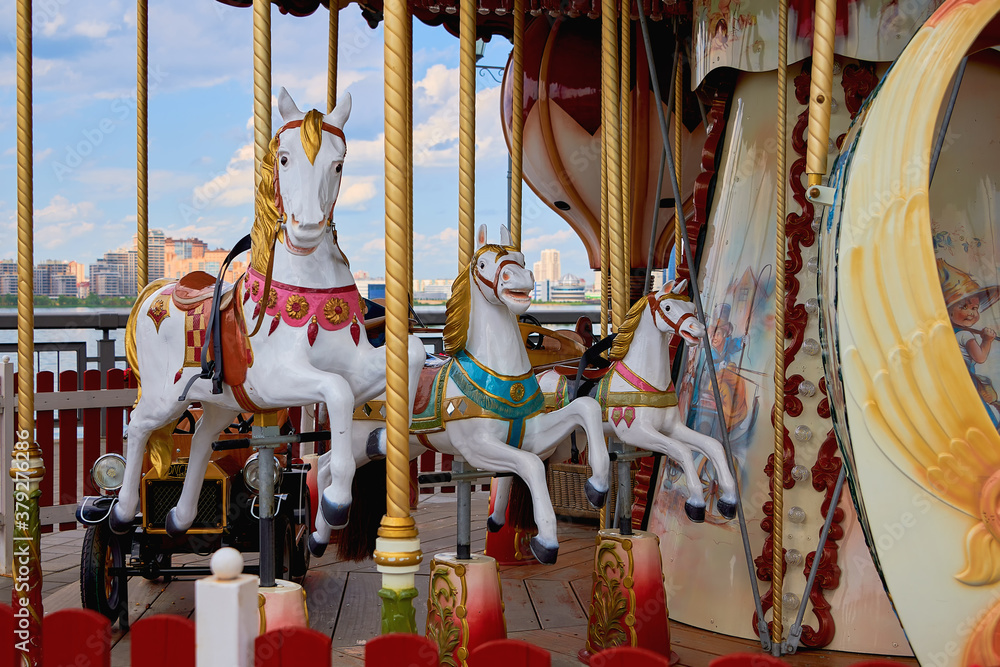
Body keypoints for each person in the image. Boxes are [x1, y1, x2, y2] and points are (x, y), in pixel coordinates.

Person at [938, 259, 1000, 426]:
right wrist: (987, 340)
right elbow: (980, 358)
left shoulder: (947, 333)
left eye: (974, 308)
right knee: (980, 415)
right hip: (964, 382)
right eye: (964, 307)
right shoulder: (965, 334)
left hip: (951, 381)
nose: (971, 313)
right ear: (949, 312)